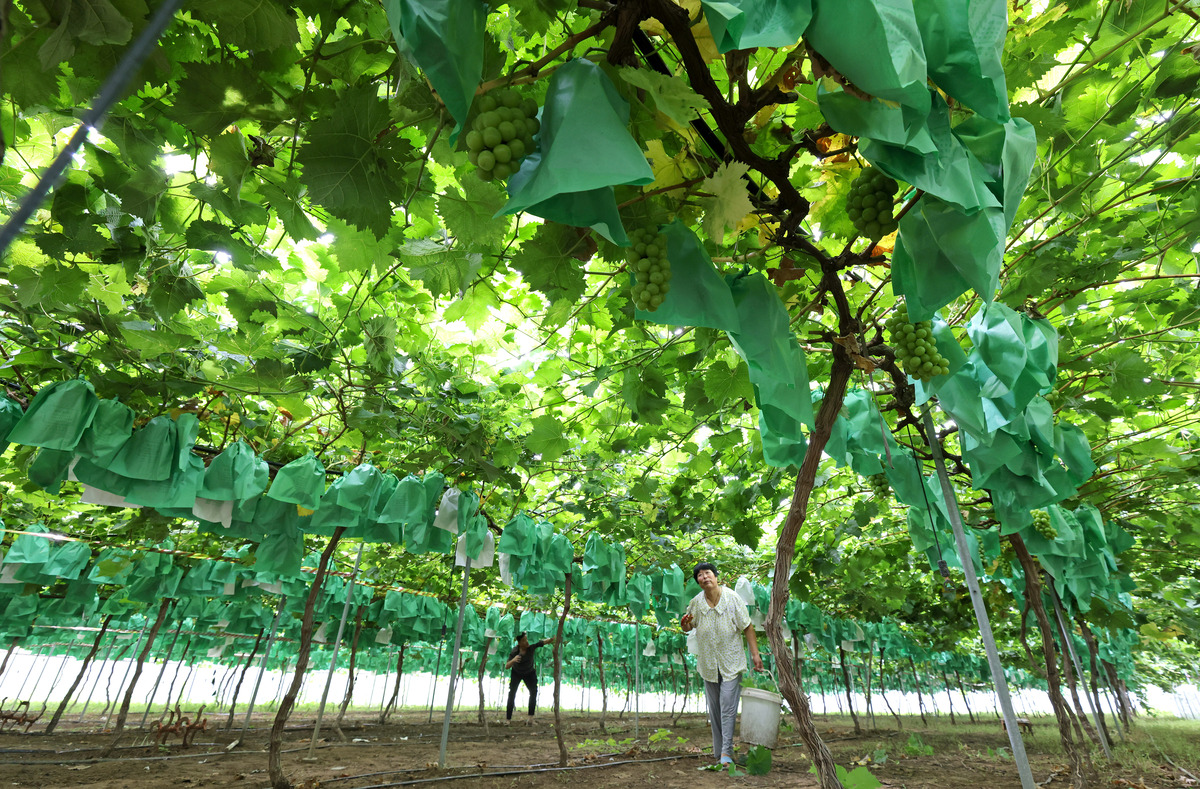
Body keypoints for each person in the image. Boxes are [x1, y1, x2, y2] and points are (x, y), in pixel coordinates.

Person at [681, 562, 763, 765]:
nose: (704, 577)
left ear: (716, 576)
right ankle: (719, 751)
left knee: (727, 705)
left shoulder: (732, 598)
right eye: (699, 575)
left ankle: (726, 752)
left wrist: (755, 655)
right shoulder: (695, 603)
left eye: (707, 573)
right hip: (709, 663)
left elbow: (748, 627)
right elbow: (688, 626)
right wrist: (684, 624)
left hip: (731, 662)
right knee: (715, 709)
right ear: (697, 581)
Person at [504, 631, 552, 724]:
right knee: (512, 694)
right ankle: (508, 719)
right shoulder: (515, 651)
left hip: (529, 672)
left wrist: (552, 639)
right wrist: (513, 660)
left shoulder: (531, 646)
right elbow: (507, 666)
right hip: (516, 673)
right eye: (524, 640)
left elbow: (543, 642)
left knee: (533, 692)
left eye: (527, 639)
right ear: (519, 643)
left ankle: (530, 718)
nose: (526, 642)